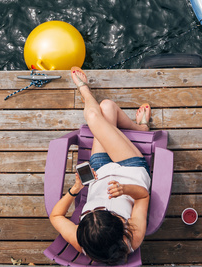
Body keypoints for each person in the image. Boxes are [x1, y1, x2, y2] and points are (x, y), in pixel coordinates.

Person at [48, 67, 153, 266]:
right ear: (122, 227)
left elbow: (56, 216)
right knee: (103, 110)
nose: (101, 206)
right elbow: (143, 196)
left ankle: (137, 126)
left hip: (100, 170)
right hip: (130, 169)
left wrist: (74, 191)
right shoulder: (133, 237)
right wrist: (124, 189)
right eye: (109, 213)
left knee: (106, 109)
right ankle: (85, 91)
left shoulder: (82, 242)